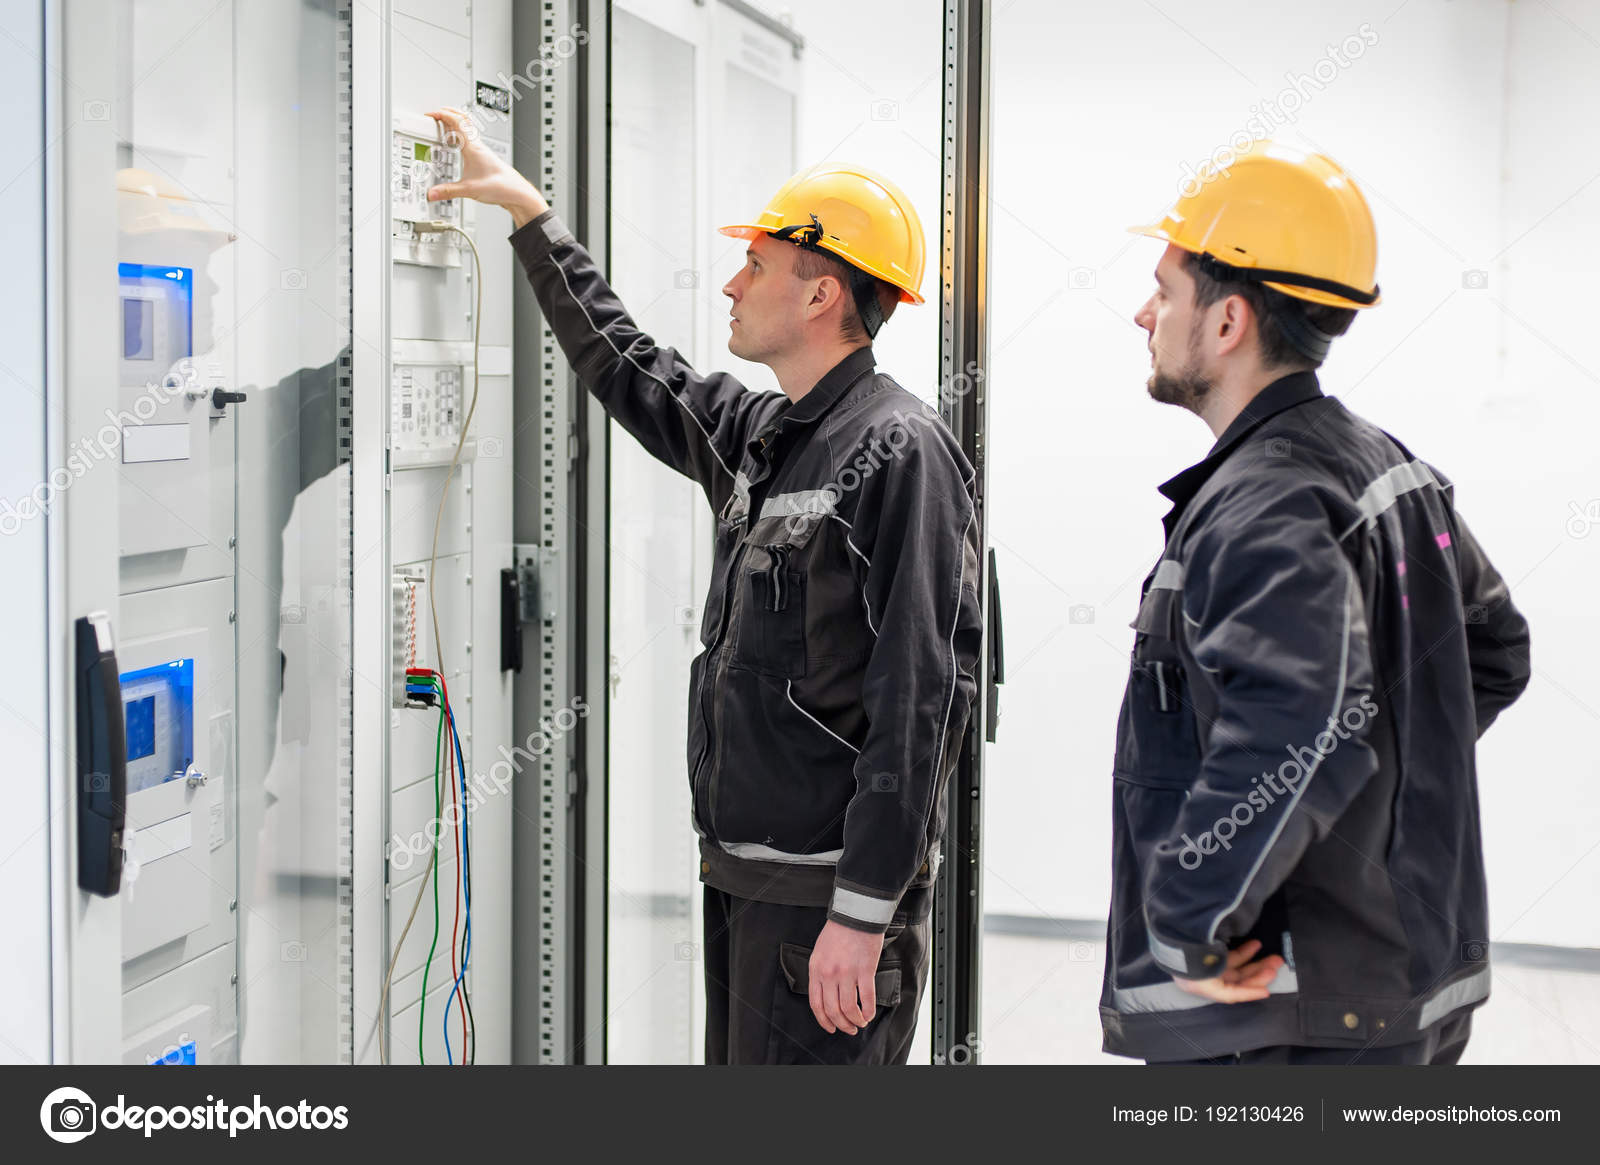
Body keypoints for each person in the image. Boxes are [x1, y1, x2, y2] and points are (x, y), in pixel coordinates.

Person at [424, 108, 982, 1065]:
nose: (732, 282)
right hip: (745, 881)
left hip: (827, 907)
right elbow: (632, 367)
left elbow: (920, 695)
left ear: (821, 293)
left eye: (756, 266)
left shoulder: (899, 449)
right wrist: (529, 215)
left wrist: (864, 908)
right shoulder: (769, 436)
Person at [1102, 141, 1532, 1065]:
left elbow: (1300, 720)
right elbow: (1495, 651)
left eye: (1164, 292)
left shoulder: (1267, 500)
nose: (1144, 313)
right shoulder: (1388, 468)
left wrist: (1187, 917)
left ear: (1226, 322)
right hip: (1395, 981)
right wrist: (1379, 794)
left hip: (1293, 1014)